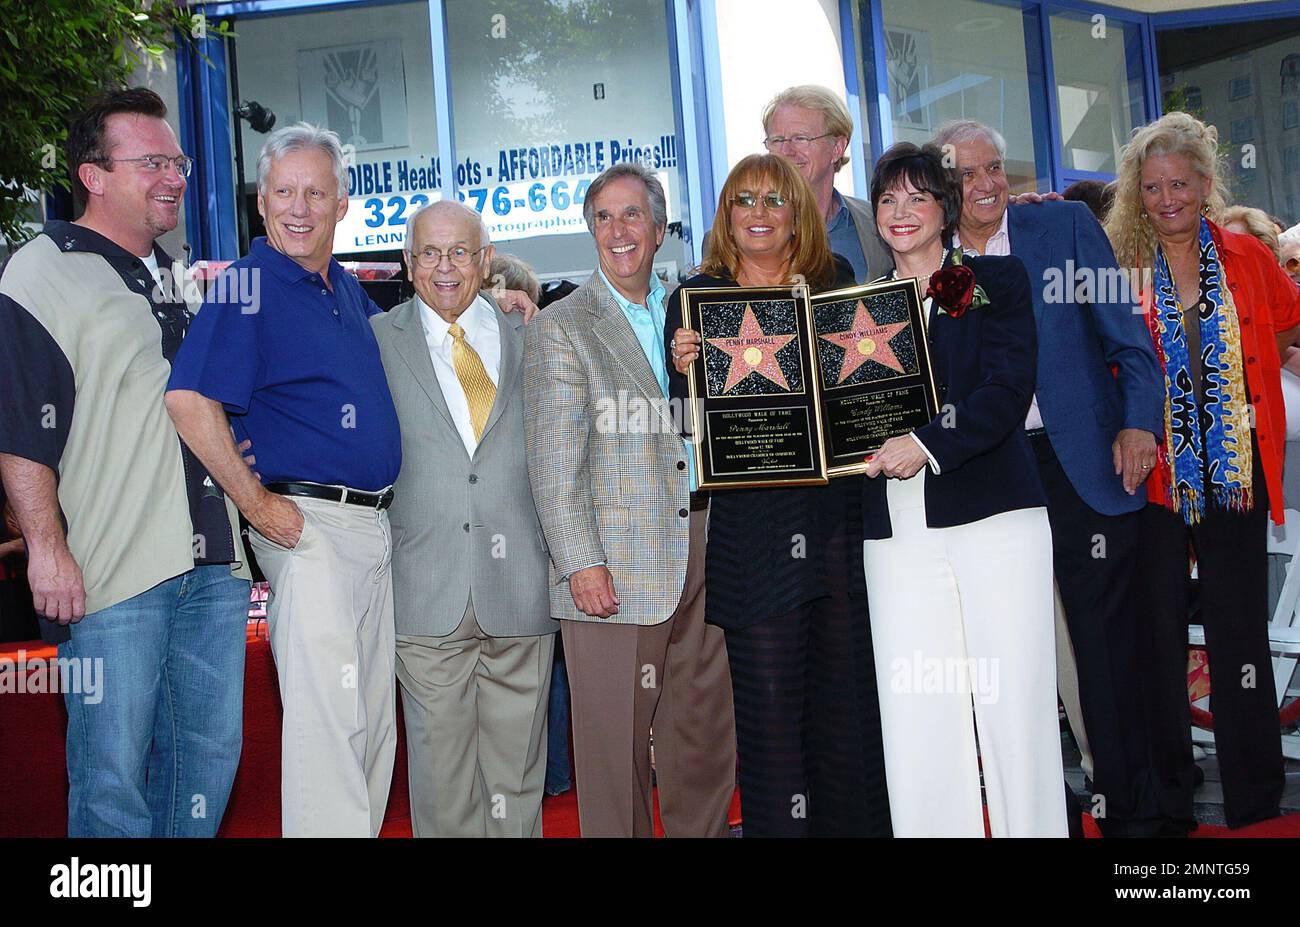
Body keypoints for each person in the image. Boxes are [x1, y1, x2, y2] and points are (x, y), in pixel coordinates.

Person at [0, 88, 250, 836]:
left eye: (177, 160)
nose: (174, 175)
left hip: (213, 566)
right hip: (111, 574)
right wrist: (47, 550)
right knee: (111, 781)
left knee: (206, 763)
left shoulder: (175, 274)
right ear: (93, 174)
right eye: (152, 162)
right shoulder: (40, 270)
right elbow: (19, 429)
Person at [165, 122, 402, 838]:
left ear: (342, 203)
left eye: (315, 192)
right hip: (313, 529)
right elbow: (188, 400)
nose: (299, 207)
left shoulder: (347, 293)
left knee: (368, 727)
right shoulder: (247, 283)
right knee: (327, 735)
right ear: (261, 204)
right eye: (283, 192)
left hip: (373, 528)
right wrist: (259, 505)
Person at [933, 119, 1166, 836]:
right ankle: (1046, 810)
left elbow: (1128, 336)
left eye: (995, 168)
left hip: (1082, 464)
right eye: (968, 175)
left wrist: (1138, 424)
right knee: (1015, 652)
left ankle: (1133, 812)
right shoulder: (940, 269)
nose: (986, 185)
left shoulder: (1062, 227)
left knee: (1105, 651)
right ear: (945, 189)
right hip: (995, 477)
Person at [667, 154, 891, 837]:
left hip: (835, 524)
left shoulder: (836, 284)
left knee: (845, 711)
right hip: (753, 532)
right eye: (744, 201)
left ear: (798, 213)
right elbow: (685, 427)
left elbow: (863, 404)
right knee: (769, 718)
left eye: (774, 200)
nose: (759, 214)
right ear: (726, 217)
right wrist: (682, 375)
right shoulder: (695, 298)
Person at [856, 142, 1065, 837]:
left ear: (945, 208)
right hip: (894, 533)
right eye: (887, 199)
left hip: (993, 518)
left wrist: (924, 443)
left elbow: (1004, 390)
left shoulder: (984, 281)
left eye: (917, 196)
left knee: (1014, 707)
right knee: (916, 713)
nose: (900, 211)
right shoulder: (860, 308)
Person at [523, 162, 737, 838]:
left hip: (704, 540)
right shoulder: (563, 326)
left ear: (659, 224)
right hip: (613, 562)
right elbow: (554, 462)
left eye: (632, 215)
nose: (619, 231)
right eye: (604, 217)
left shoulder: (689, 312)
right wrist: (580, 562)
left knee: (701, 729)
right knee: (614, 748)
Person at [1105, 111, 1300, 832]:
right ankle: (1171, 796)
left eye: (1180, 183)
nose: (1167, 198)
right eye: (1152, 186)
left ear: (1206, 185)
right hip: (1153, 484)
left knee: (1238, 638)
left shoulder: (1249, 258)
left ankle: (1255, 799)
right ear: (1138, 193)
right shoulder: (1120, 267)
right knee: (1157, 639)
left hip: (1236, 475)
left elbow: (1287, 319)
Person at [370, 201, 557, 837]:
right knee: (442, 788)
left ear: (485, 260)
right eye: (429, 252)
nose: (444, 266)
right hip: (425, 592)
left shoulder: (533, 334)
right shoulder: (374, 342)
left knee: (518, 782)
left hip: (521, 590)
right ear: (407, 261)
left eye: (459, 252)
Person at [760, 85, 893, 282]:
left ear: (837, 148)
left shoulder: (877, 222)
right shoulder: (738, 236)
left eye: (800, 138)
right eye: (778, 140)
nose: (787, 151)